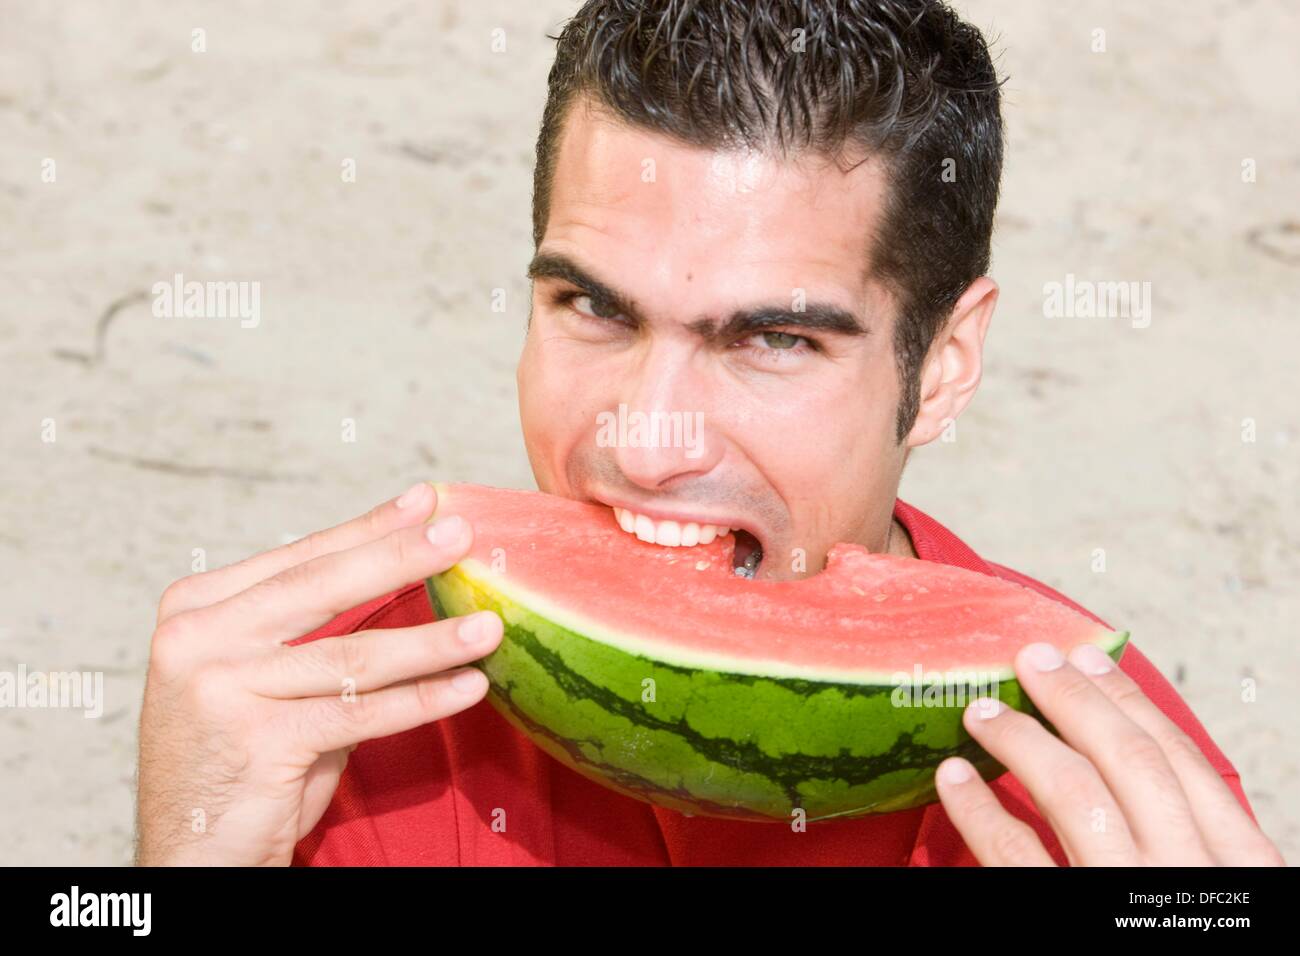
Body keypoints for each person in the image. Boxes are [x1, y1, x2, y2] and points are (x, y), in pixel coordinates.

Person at [134, 0, 1283, 866]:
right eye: (591, 306)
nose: (645, 440)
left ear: (942, 366)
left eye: (772, 338)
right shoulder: (345, 715)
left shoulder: (1115, 823)